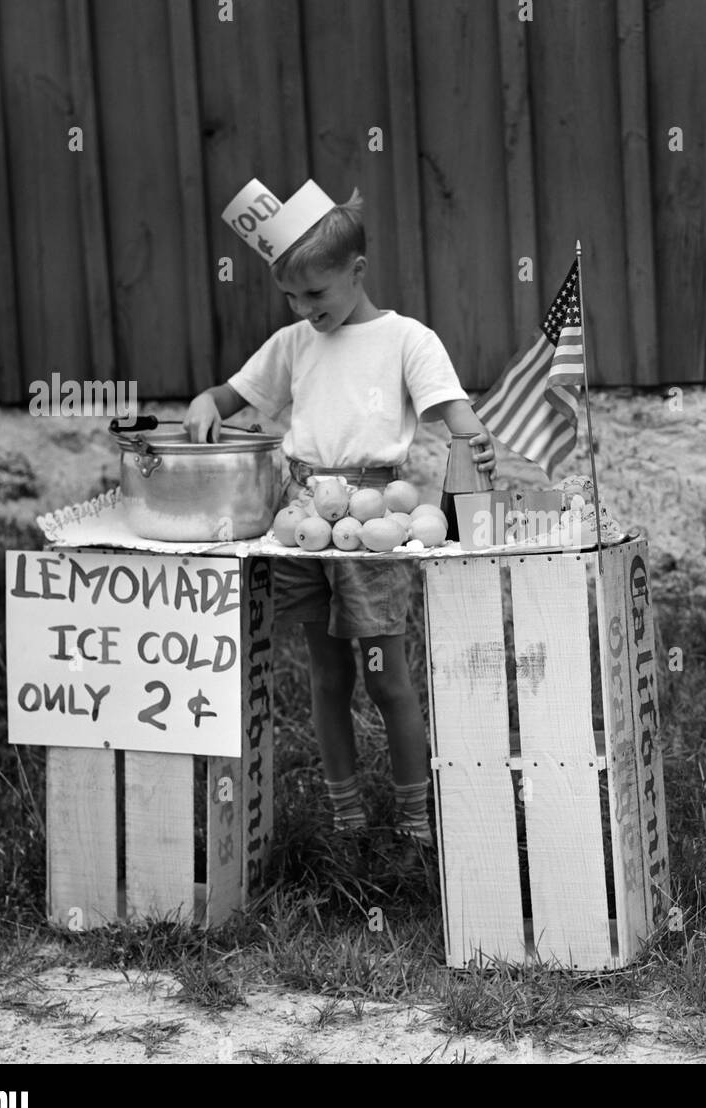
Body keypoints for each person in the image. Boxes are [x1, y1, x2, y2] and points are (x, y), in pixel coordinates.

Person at [186, 184, 495, 876]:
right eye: (292, 298)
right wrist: (208, 401)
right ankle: (345, 818)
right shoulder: (294, 344)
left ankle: (415, 822)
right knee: (326, 677)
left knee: (386, 675)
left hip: (373, 519)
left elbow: (453, 412)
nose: (305, 309)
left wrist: (478, 445)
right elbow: (232, 395)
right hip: (303, 522)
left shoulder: (406, 339)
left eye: (316, 293)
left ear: (357, 270)